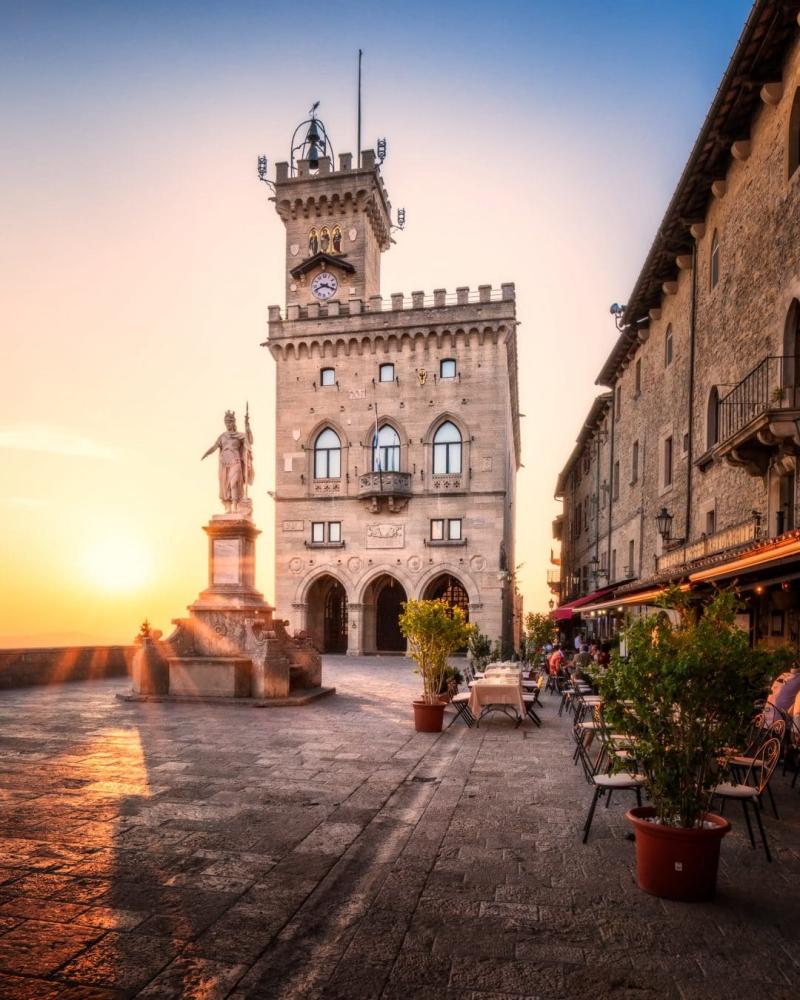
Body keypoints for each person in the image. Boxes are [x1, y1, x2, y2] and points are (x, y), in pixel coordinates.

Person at [201, 408, 254, 513]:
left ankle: (235, 506)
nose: (228, 424)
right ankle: (228, 507)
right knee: (226, 486)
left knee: (233, 483)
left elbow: (250, 441)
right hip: (224, 463)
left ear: (233, 422)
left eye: (229, 422)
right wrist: (206, 453)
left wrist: (247, 427)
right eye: (226, 422)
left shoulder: (240, 435)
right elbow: (214, 447)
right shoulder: (222, 436)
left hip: (236, 462)